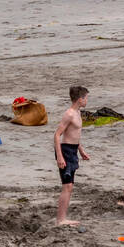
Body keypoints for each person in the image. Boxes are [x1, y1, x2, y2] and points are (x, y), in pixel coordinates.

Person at [54, 84, 90, 225]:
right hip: (66, 151)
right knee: (67, 186)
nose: (87, 101)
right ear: (80, 99)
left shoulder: (78, 113)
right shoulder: (69, 114)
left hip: (73, 150)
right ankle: (60, 220)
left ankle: (62, 218)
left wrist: (81, 151)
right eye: (86, 98)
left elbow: (75, 135)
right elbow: (57, 135)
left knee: (70, 186)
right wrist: (60, 156)